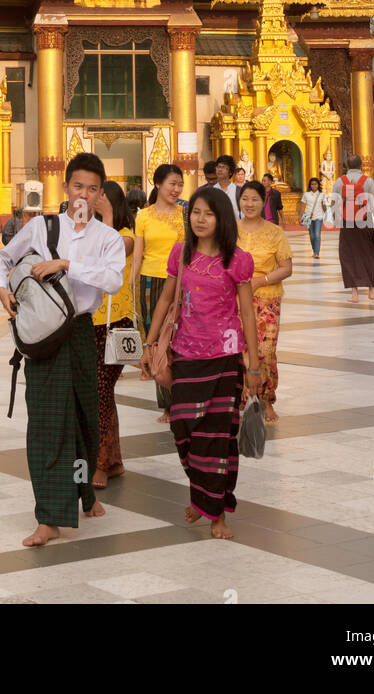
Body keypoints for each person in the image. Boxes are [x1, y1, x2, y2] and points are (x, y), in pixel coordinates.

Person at [0, 152, 125, 548]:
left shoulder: (107, 238)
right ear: (65, 187)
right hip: (44, 335)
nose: (84, 194)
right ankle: (48, 516)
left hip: (81, 331)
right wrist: (1, 290)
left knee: (85, 420)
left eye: (93, 188)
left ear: (101, 195)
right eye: (78, 185)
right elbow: (1, 258)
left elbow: (113, 280)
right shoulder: (41, 228)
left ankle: (84, 492)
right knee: (47, 423)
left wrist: (66, 264)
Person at [140, 185, 260, 540]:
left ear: (222, 218)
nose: (201, 219)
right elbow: (165, 299)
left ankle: (215, 512)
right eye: (195, 212)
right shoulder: (181, 254)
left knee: (218, 436)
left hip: (225, 357)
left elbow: (248, 314)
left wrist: (254, 364)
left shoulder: (236, 259)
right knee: (182, 426)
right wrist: (150, 342)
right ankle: (202, 494)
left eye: (208, 213)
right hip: (186, 354)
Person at [90, 180, 137, 490]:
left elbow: (111, 254)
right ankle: (114, 459)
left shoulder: (126, 236)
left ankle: (100, 464)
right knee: (100, 391)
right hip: (89, 321)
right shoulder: (90, 233)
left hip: (115, 322)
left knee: (102, 391)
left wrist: (106, 216)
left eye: (100, 196)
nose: (94, 200)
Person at [133, 162, 186, 422]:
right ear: (157, 184)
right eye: (172, 184)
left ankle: (182, 395)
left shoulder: (185, 215)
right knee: (155, 342)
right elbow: (138, 255)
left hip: (179, 282)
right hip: (149, 282)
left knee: (177, 338)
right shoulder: (143, 216)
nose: (176, 189)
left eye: (179, 184)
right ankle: (167, 403)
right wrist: (132, 285)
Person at [236, 180, 293, 423]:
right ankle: (242, 398)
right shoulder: (231, 229)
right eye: (245, 199)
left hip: (267, 300)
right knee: (240, 350)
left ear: (263, 202)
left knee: (265, 351)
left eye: (254, 199)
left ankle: (266, 399)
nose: (249, 204)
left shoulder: (274, 233)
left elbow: (287, 268)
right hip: (236, 300)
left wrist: (262, 280)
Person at [333, 155, 374, 303]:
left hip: (347, 223)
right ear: (361, 166)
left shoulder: (340, 181)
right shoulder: (367, 181)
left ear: (347, 166)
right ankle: (371, 290)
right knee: (369, 255)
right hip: (364, 222)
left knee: (349, 255)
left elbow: (334, 203)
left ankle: (354, 293)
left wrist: (337, 219)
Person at [300, 177, 327, 258]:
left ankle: (316, 253)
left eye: (315, 184)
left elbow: (324, 208)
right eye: (312, 184)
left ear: (318, 185)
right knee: (312, 236)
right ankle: (314, 250)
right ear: (310, 185)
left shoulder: (322, 195)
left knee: (317, 235)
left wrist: (325, 205)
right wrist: (300, 216)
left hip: (319, 217)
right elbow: (302, 206)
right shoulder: (306, 194)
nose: (314, 186)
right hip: (309, 217)